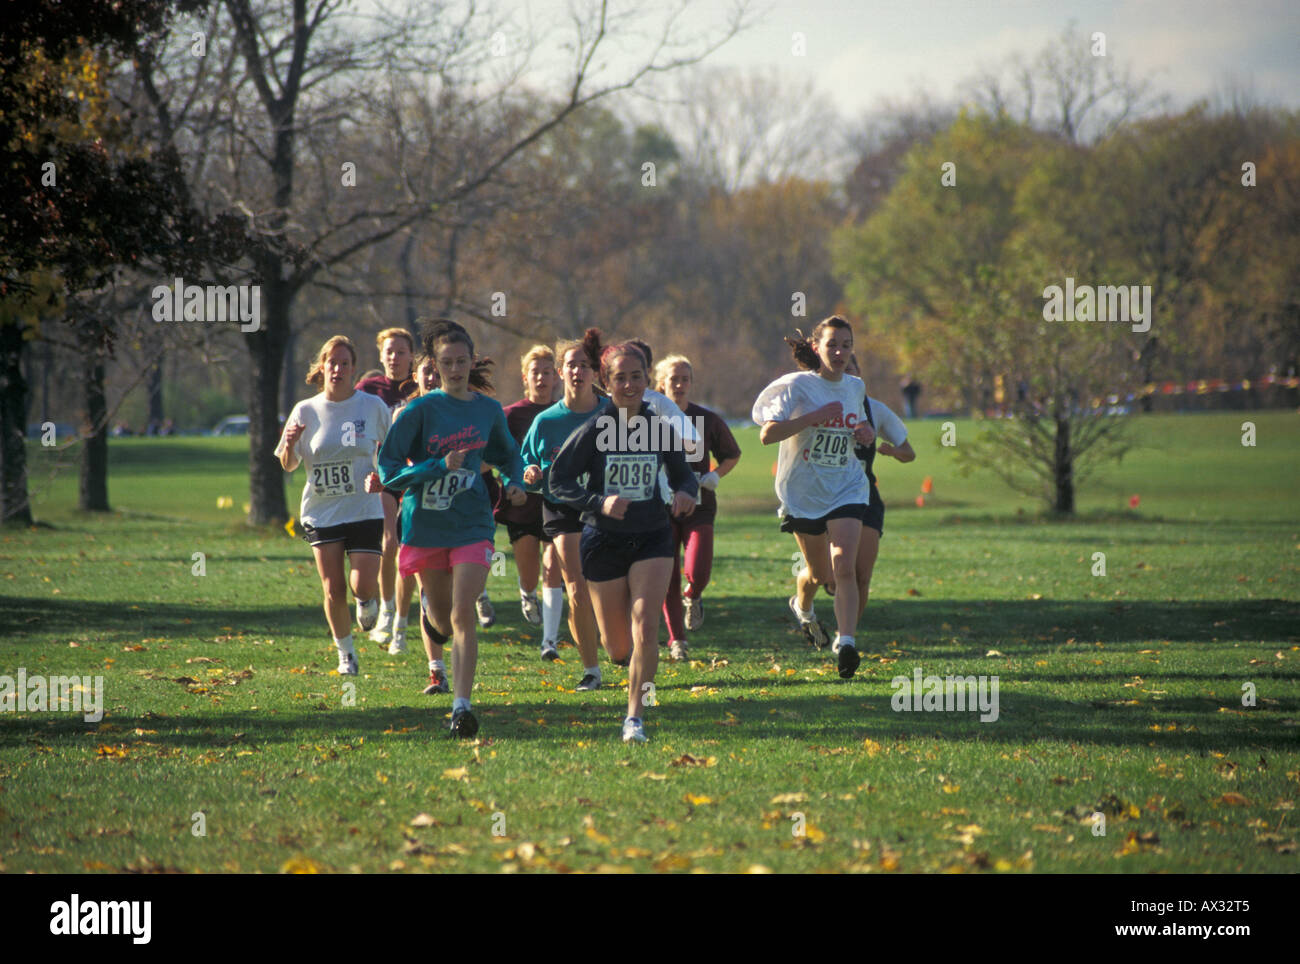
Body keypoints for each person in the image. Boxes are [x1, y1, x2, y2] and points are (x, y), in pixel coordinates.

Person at [379, 320, 525, 737]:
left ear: (472, 360)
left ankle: (462, 706)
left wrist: (514, 482)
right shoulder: (419, 412)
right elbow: (388, 470)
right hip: (425, 525)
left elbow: (508, 455)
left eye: (463, 361)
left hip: (473, 522)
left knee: (464, 611)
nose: (456, 369)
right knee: (442, 622)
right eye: (447, 362)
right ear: (433, 365)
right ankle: (429, 616)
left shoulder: (487, 409)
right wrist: (436, 467)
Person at [549, 342, 698, 743]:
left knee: (646, 626)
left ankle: (634, 718)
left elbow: (684, 475)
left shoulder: (657, 428)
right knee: (618, 648)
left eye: (636, 377)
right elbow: (559, 480)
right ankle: (632, 668)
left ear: (648, 380)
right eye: (620, 378)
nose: (629, 385)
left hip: (652, 535)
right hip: (603, 541)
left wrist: (685, 493)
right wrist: (599, 502)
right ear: (605, 382)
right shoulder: (597, 429)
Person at [752, 316, 875, 679]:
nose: (839, 352)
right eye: (832, 344)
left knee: (844, 568)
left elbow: (856, 430)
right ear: (817, 347)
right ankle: (802, 607)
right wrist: (815, 417)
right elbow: (767, 435)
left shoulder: (855, 387)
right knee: (819, 574)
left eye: (846, 345)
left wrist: (864, 433)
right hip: (803, 492)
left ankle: (847, 642)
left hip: (847, 487)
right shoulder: (796, 386)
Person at [276, 335, 391, 676]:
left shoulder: (372, 407)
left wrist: (382, 476)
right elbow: (289, 464)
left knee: (362, 585)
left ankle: (367, 600)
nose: (337, 369)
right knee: (332, 588)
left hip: (364, 508)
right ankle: (346, 655)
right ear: (322, 367)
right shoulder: (305, 410)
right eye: (332, 363)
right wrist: (290, 446)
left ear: (354, 370)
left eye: (344, 363)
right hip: (322, 511)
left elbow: (392, 450)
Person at [520, 330, 607, 691]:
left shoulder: (611, 415)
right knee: (576, 587)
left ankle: (614, 643)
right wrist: (531, 475)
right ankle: (591, 670)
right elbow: (527, 472)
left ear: (595, 373)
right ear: (560, 371)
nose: (577, 372)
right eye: (571, 365)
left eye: (585, 365)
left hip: (604, 508)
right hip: (560, 510)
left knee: (605, 585)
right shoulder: (545, 422)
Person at [653, 353, 741, 660]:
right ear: (660, 383)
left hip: (700, 505)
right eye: (673, 379)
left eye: (685, 379)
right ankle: (677, 641)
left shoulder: (706, 419)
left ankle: (694, 595)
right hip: (660, 508)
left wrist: (715, 475)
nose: (679, 384)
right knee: (667, 574)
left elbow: (732, 454)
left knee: (698, 569)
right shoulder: (647, 417)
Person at [498, 345, 566, 659]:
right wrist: (515, 477)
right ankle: (527, 594)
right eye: (535, 372)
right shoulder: (511, 415)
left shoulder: (565, 412)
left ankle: (549, 641)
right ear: (525, 377)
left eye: (547, 372)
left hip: (558, 504)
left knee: (553, 568)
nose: (541, 377)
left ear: (556, 377)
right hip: (522, 505)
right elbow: (497, 457)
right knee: (529, 573)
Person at [356, 327, 418, 650]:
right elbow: (350, 417)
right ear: (381, 356)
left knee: (409, 545)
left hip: (415, 474)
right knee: (389, 539)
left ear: (412, 355)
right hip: (382, 475)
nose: (395, 358)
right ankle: (386, 609)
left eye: (401, 352)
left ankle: (402, 625)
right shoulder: (369, 389)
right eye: (389, 352)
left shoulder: (419, 387)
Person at [846, 353, 915, 622]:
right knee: (828, 577)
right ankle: (805, 604)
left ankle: (847, 635)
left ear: (860, 373)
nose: (849, 377)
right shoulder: (820, 406)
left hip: (866, 496)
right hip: (826, 495)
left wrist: (892, 451)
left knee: (861, 575)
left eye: (853, 370)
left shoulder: (876, 409)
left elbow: (909, 453)